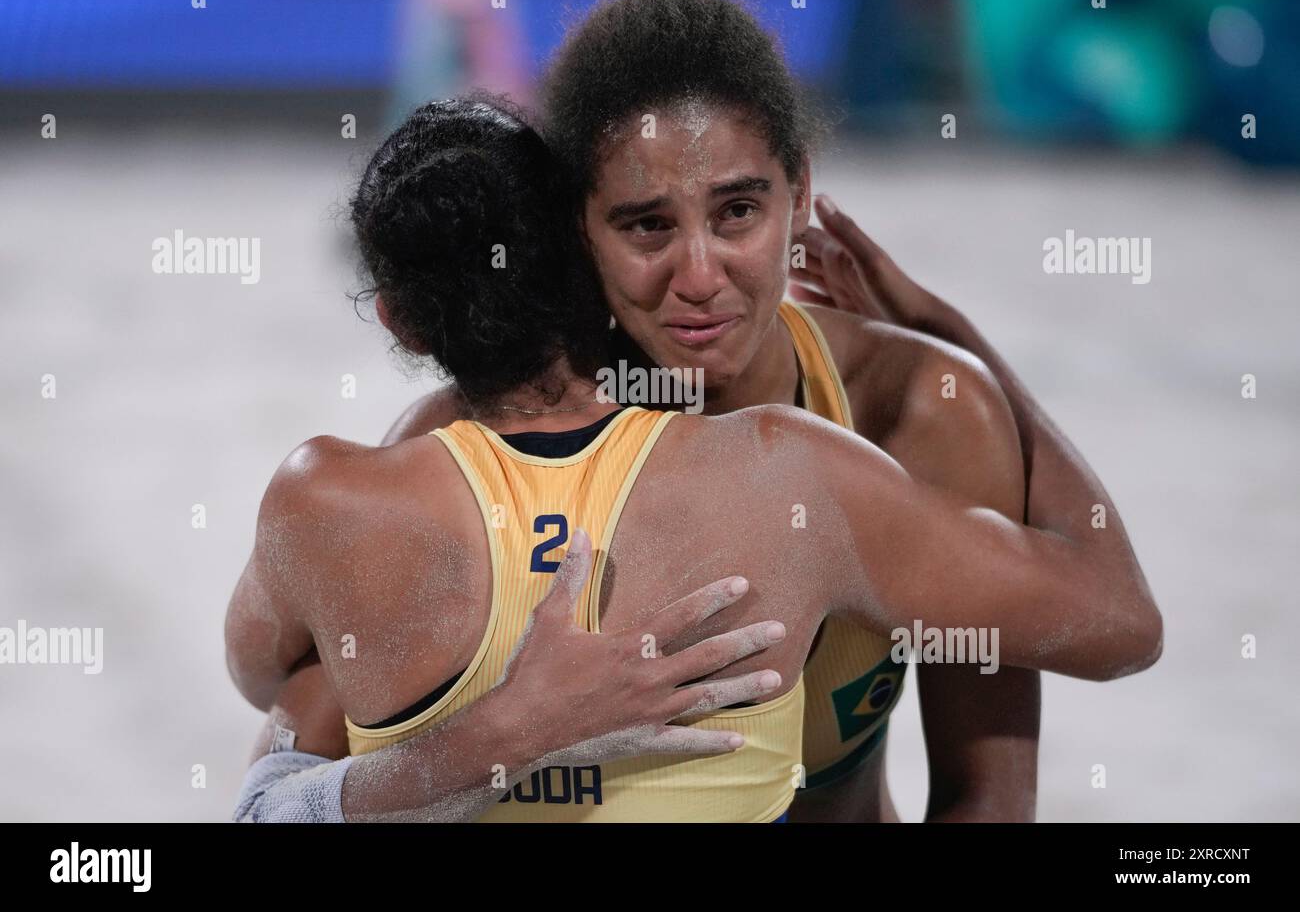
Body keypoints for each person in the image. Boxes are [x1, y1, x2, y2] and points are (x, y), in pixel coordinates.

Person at [225, 96, 1161, 822]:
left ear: (398, 320)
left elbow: (269, 755)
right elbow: (1119, 623)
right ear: (588, 254)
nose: (701, 274)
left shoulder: (333, 499)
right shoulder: (798, 472)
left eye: (736, 213)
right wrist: (969, 346)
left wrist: (492, 739)